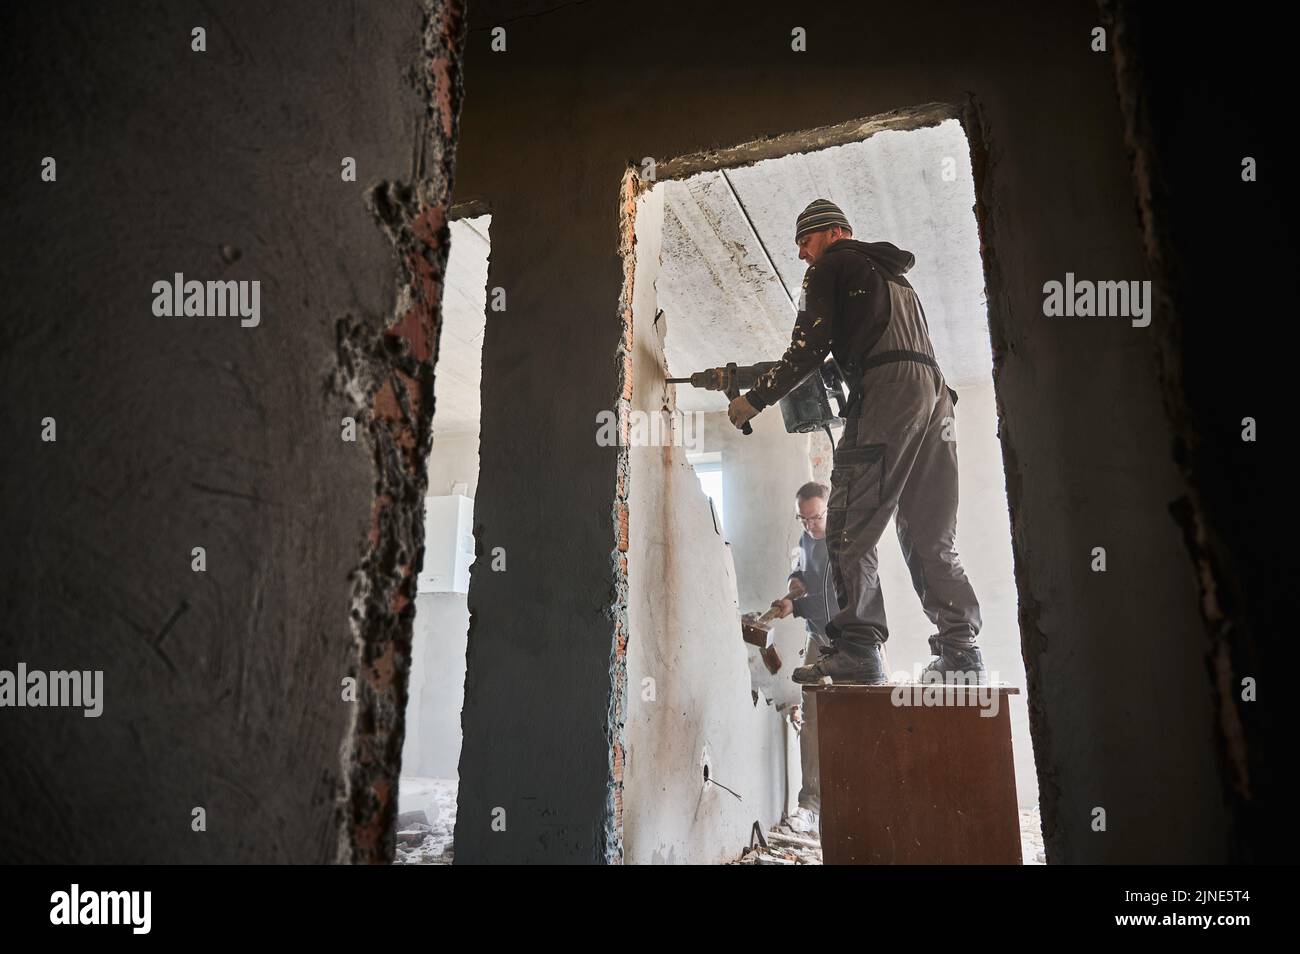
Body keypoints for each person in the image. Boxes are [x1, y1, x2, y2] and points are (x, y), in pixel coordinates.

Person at [728, 198, 984, 685]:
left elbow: (807, 346)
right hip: (934, 397)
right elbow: (870, 346)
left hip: (888, 394)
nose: (803, 254)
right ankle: (962, 652)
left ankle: (861, 649)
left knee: (844, 527)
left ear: (831, 233)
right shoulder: (897, 280)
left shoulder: (831, 266)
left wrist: (754, 399)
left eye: (805, 241)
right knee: (930, 533)